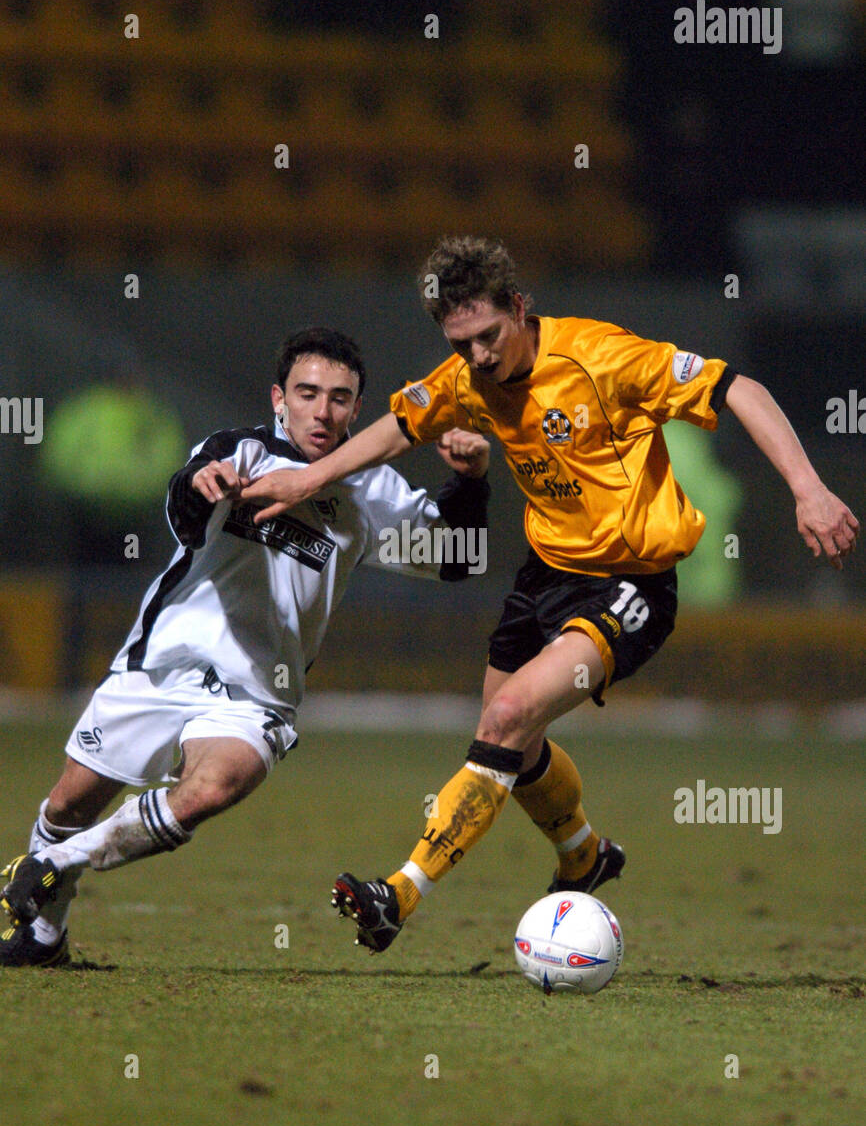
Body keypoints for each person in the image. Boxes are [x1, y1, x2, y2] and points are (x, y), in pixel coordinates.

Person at [235, 237, 859, 955]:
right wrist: (309, 481)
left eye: (488, 336)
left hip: (630, 584)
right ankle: (585, 855)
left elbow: (737, 387)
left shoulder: (601, 357)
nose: (477, 357)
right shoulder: (468, 378)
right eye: (460, 343)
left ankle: (397, 897)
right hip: (545, 576)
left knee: (504, 718)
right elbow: (396, 430)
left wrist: (808, 490)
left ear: (520, 308)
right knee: (512, 740)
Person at [0, 327, 490, 965]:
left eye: (341, 398)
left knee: (214, 785)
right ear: (279, 399)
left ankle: (53, 863)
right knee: (71, 799)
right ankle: (44, 934)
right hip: (164, 664)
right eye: (308, 393)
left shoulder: (371, 492)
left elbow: (460, 558)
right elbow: (180, 510)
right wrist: (201, 485)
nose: (323, 410)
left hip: (259, 692)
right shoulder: (241, 454)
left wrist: (472, 482)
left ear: (358, 411)